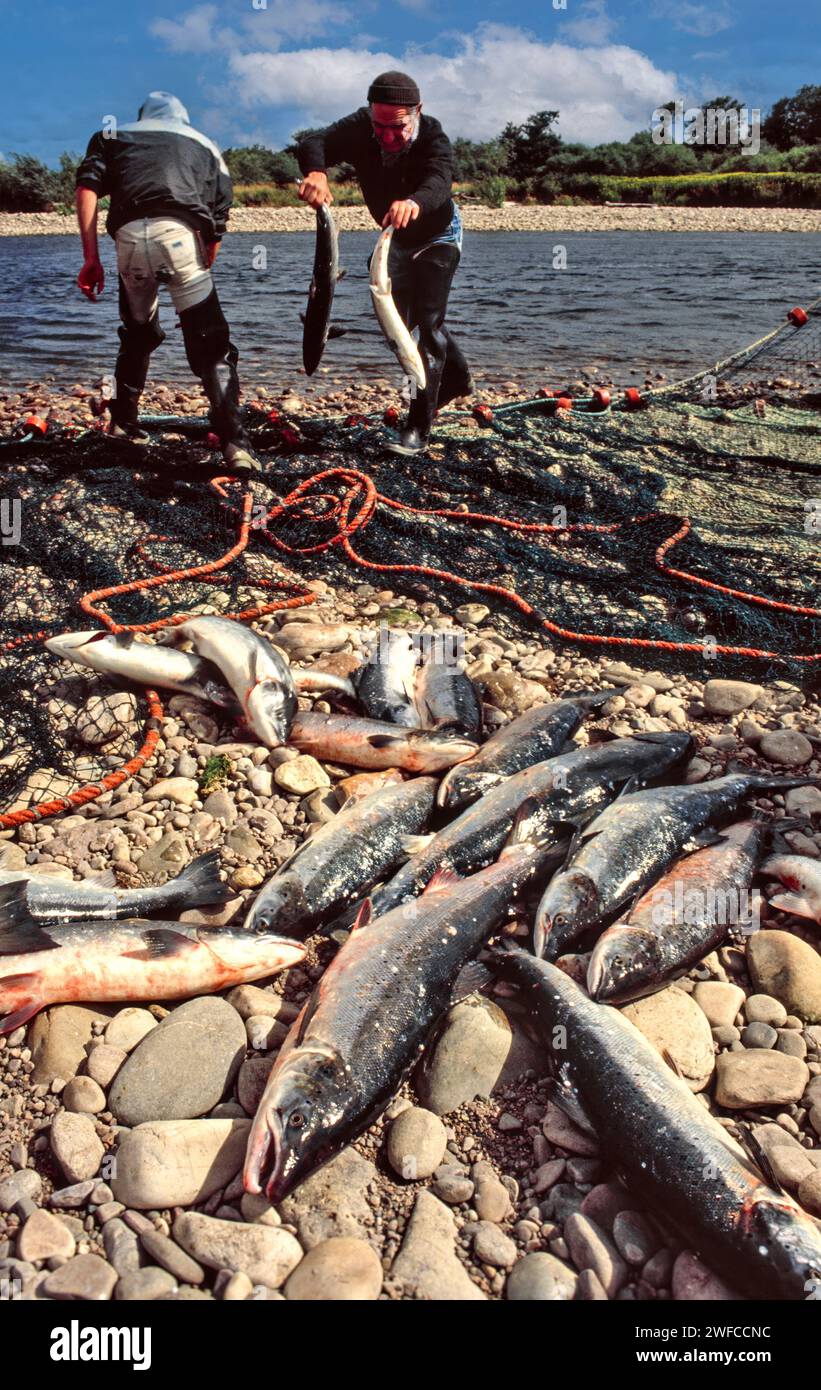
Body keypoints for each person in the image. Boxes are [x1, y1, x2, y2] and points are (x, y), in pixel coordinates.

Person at [75, 92, 259, 475]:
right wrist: (197, 294)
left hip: (128, 242)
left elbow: (87, 188)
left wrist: (91, 258)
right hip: (179, 236)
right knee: (213, 347)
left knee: (137, 332)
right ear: (183, 118)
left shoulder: (111, 135)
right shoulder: (204, 144)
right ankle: (236, 446)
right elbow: (218, 219)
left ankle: (123, 423)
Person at [297, 71, 473, 456]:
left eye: (399, 128)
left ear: (418, 112)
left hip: (437, 236)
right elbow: (315, 141)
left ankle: (418, 427)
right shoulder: (362, 127)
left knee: (424, 328)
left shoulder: (433, 136)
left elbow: (440, 180)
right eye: (381, 128)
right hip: (391, 241)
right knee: (408, 327)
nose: (389, 138)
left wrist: (415, 201)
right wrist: (316, 172)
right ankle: (456, 378)